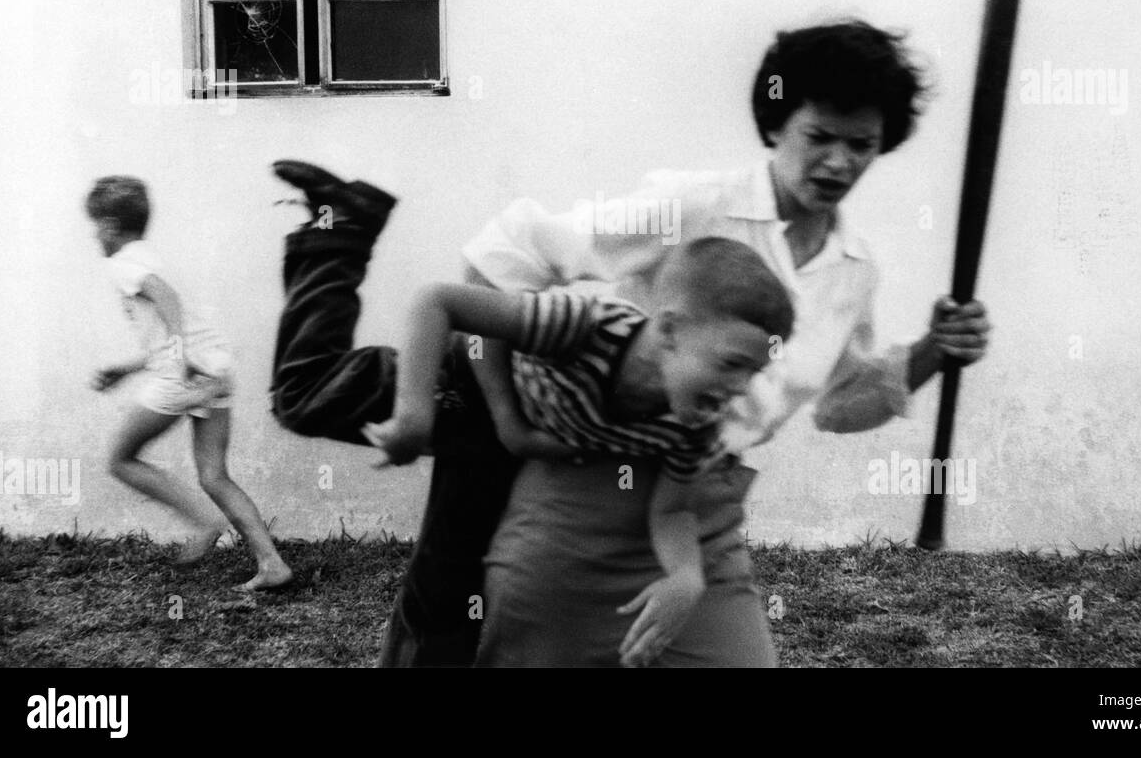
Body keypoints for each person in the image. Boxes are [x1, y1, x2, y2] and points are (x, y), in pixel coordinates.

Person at [459, 19, 993, 665]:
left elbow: (839, 404)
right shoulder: (694, 205)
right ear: (775, 125)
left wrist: (935, 349)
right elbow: (502, 256)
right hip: (584, 494)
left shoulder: (854, 267)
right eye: (819, 136)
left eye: (862, 144)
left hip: (702, 508)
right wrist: (507, 417)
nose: (839, 161)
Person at [267, 160, 796, 666]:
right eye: (732, 364)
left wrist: (686, 574)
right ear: (671, 330)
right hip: (475, 375)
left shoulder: (693, 425)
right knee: (304, 392)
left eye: (753, 372)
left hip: (528, 437)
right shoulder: (586, 327)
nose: (741, 389)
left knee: (455, 582)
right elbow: (443, 303)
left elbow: (674, 510)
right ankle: (342, 226)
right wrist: (440, 417)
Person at [85, 176, 292, 591]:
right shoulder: (149, 257)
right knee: (213, 474)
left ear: (109, 224)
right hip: (214, 370)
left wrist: (178, 362)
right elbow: (171, 332)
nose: (94, 235)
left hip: (186, 375)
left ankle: (204, 522)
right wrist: (128, 368)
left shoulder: (125, 263)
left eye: (95, 225)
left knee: (120, 459)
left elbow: (169, 305)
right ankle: (272, 564)